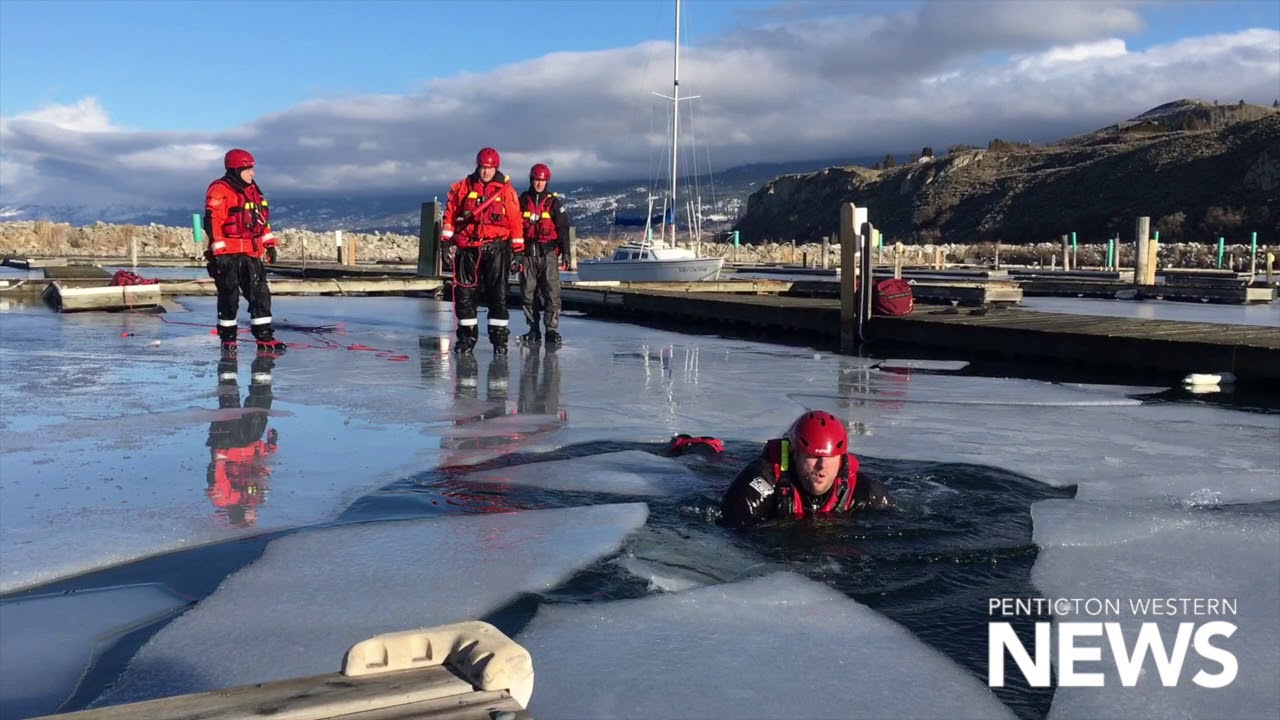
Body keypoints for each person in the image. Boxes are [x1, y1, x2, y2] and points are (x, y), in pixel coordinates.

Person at [720, 410, 893, 528]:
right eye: (813, 456)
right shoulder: (760, 482)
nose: (822, 466)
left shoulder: (865, 491)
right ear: (794, 453)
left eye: (830, 457)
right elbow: (733, 533)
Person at [442, 147, 524, 355]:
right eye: (482, 167)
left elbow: (515, 221)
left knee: (499, 294)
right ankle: (467, 338)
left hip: (496, 247)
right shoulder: (463, 187)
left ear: (495, 167)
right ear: (477, 166)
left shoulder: (506, 191)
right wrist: (445, 243)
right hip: (468, 248)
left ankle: (499, 340)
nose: (485, 171)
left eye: (489, 168)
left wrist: (518, 251)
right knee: (464, 295)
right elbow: (450, 216)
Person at [204, 148, 285, 356]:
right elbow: (214, 222)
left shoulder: (253, 191)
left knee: (260, 295)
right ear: (236, 169)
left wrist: (269, 243)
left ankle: (264, 337)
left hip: (251, 253)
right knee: (229, 297)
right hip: (228, 255)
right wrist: (219, 253)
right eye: (248, 169)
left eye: (252, 169)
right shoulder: (220, 190)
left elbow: (261, 220)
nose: (253, 173)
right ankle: (228, 338)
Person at [206, 354, 279, 528]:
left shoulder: (226, 500)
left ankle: (227, 362)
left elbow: (219, 478)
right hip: (250, 442)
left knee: (229, 402)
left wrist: (220, 457)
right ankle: (263, 365)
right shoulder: (257, 498)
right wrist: (270, 447)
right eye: (255, 520)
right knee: (261, 405)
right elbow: (261, 470)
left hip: (229, 444)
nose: (255, 517)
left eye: (252, 520)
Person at [517, 163, 571, 347]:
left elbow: (563, 229)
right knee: (527, 293)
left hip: (548, 253)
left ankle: (551, 330)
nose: (539, 183)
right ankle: (533, 329)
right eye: (536, 180)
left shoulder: (554, 203)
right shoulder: (522, 200)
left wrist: (566, 253)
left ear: (546, 181)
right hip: (527, 254)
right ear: (531, 180)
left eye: (542, 180)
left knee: (551, 292)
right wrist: (513, 254)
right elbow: (515, 228)